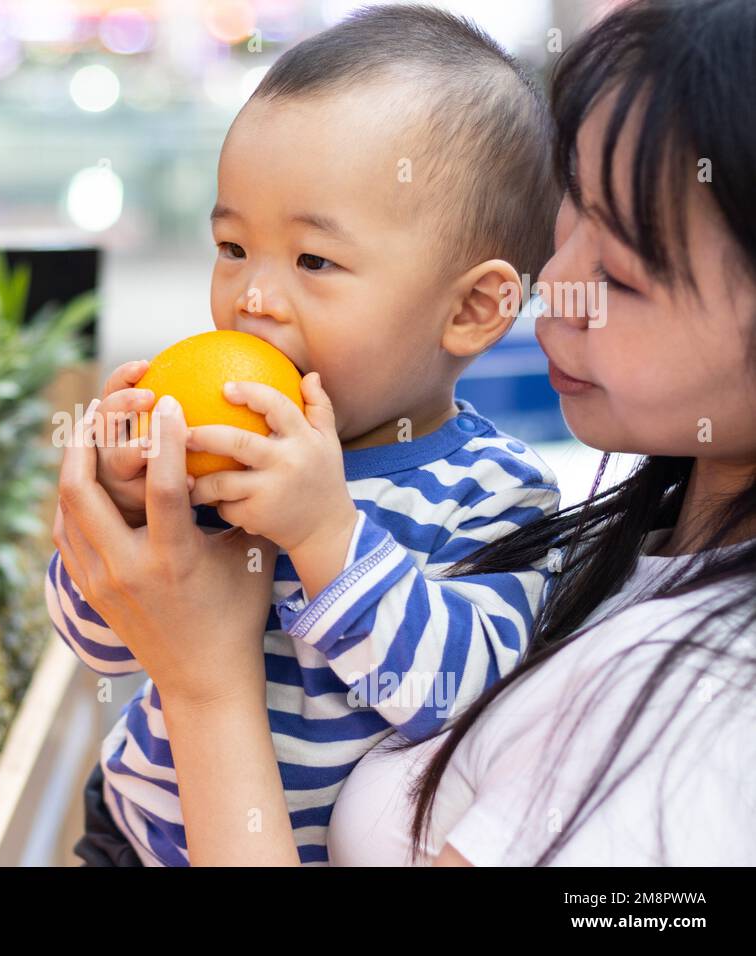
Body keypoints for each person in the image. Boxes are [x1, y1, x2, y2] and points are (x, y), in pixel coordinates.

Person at [61, 0, 756, 866]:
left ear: (470, 307)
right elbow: (102, 638)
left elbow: (444, 690)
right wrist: (122, 520)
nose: (251, 298)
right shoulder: (230, 446)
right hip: (124, 835)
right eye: (232, 246)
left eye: (314, 261)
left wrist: (324, 540)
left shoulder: (496, 497)